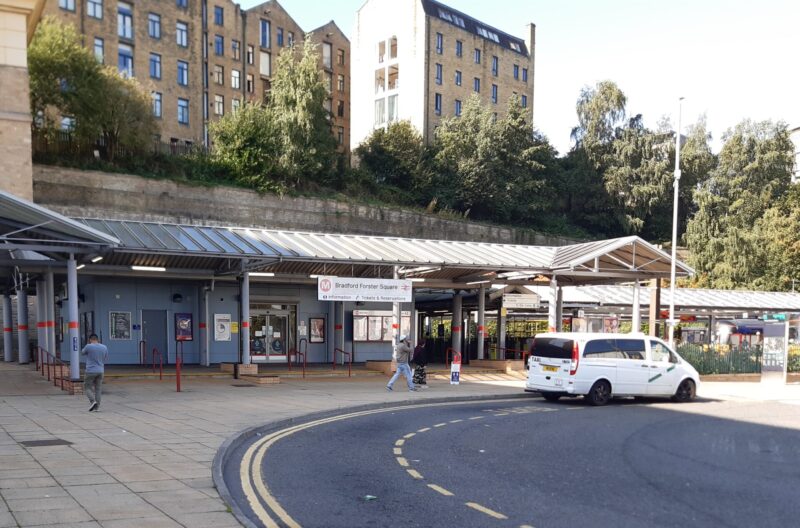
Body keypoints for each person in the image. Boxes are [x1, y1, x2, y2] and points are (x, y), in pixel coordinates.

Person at [81, 334, 108, 412]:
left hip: (90, 371)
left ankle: (93, 401)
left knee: (87, 387)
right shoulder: (104, 347)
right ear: (98, 339)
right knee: (98, 389)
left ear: (90, 339)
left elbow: (82, 352)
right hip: (100, 371)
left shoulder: (88, 346)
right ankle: (97, 407)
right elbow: (105, 358)